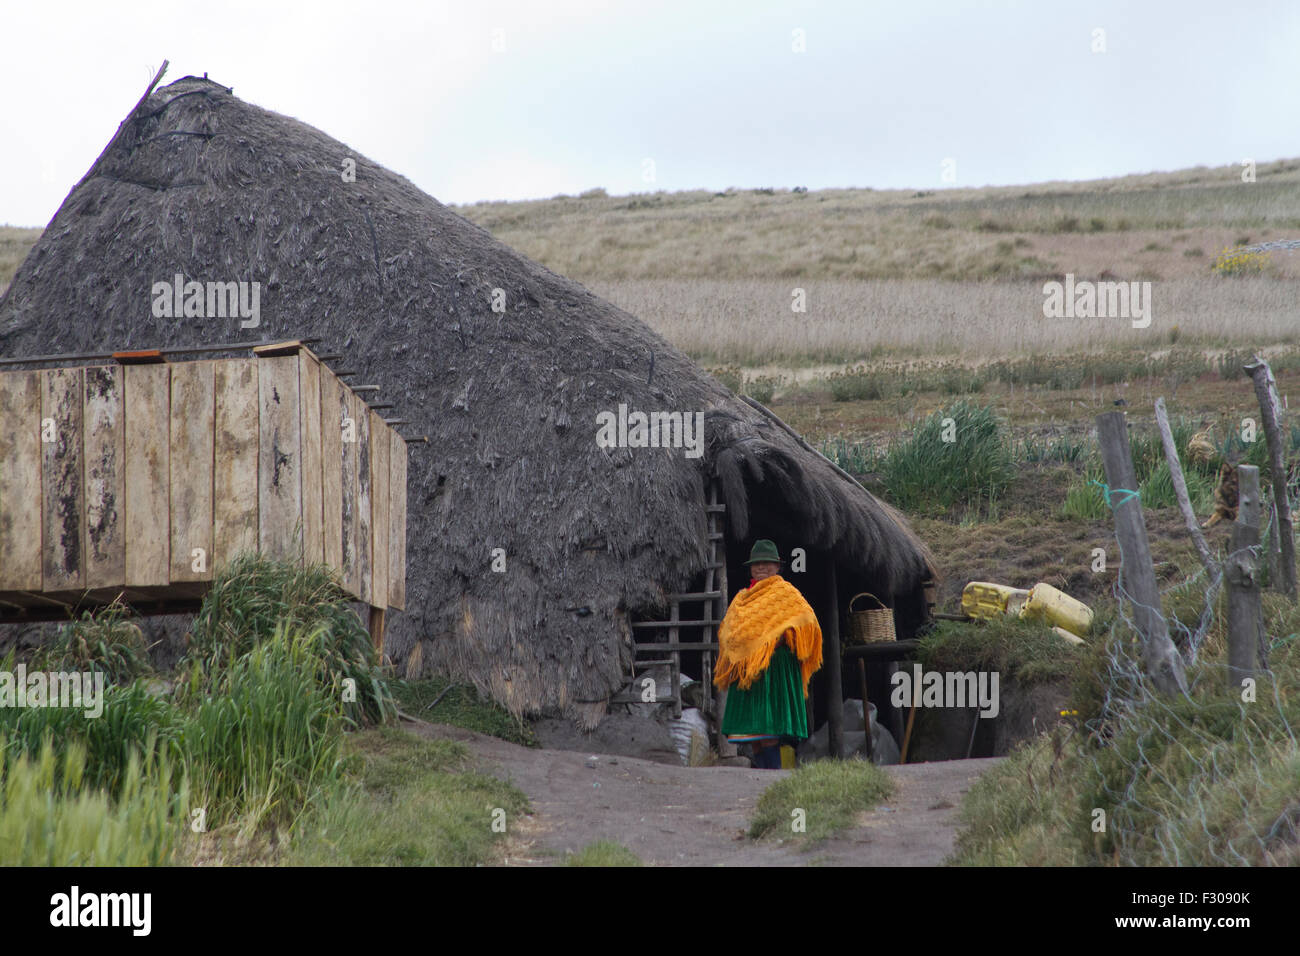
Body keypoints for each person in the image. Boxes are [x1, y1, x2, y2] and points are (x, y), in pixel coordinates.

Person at [713, 539, 823, 769]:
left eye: (766, 563)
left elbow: (805, 620)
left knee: (769, 726)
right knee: (754, 732)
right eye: (756, 564)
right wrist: (743, 647)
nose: (760, 567)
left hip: (775, 667)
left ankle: (772, 775)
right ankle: (760, 776)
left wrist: (777, 639)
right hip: (748, 671)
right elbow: (729, 629)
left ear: (777, 567)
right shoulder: (743, 598)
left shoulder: (786, 593)